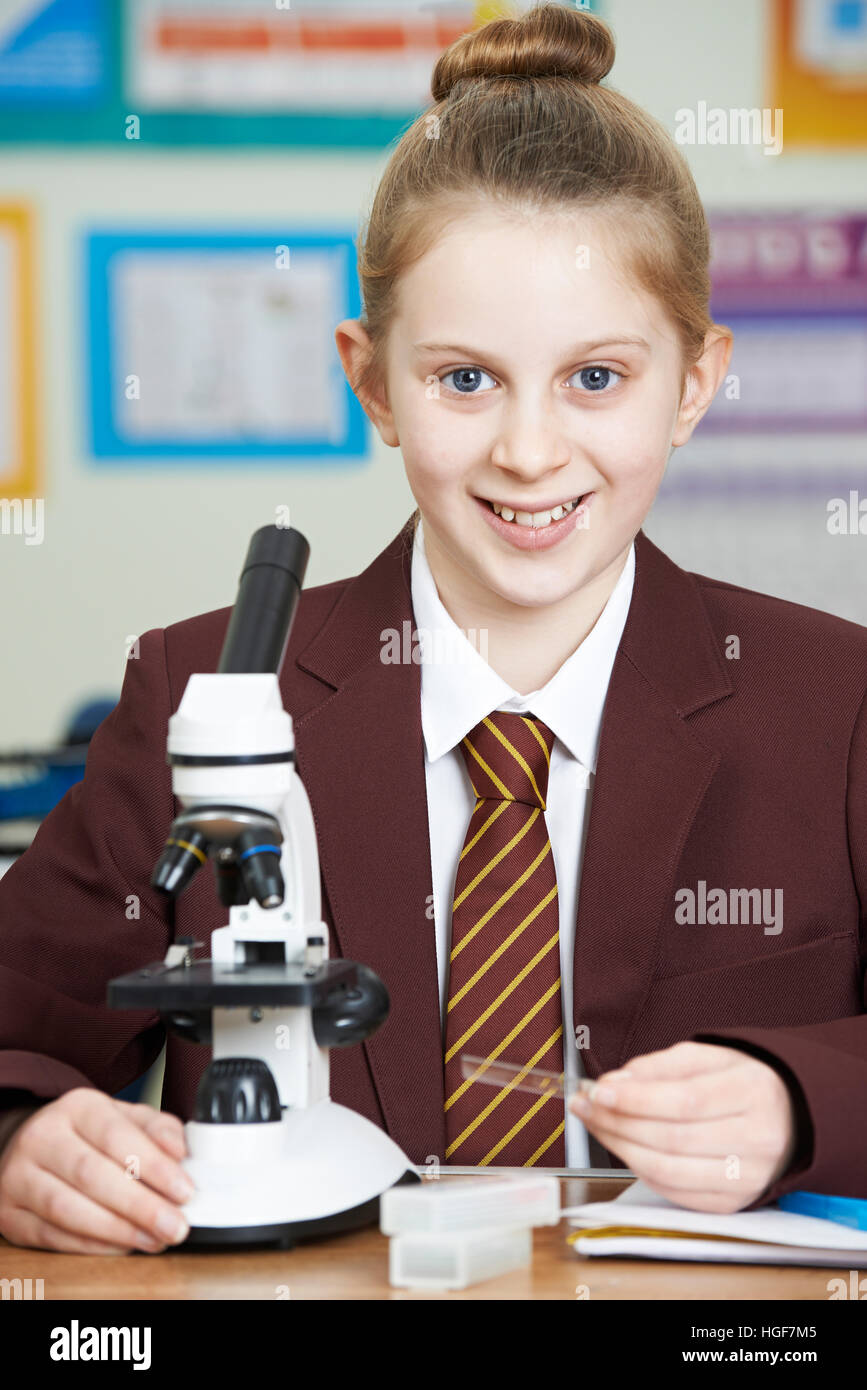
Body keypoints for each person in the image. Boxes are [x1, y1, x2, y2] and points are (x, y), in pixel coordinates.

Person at [1, 3, 866, 1256]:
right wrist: (24, 1140)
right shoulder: (203, 687)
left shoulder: (832, 701)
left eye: (597, 378)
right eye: (465, 378)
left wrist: (799, 1101)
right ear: (371, 380)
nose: (528, 451)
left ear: (695, 382)